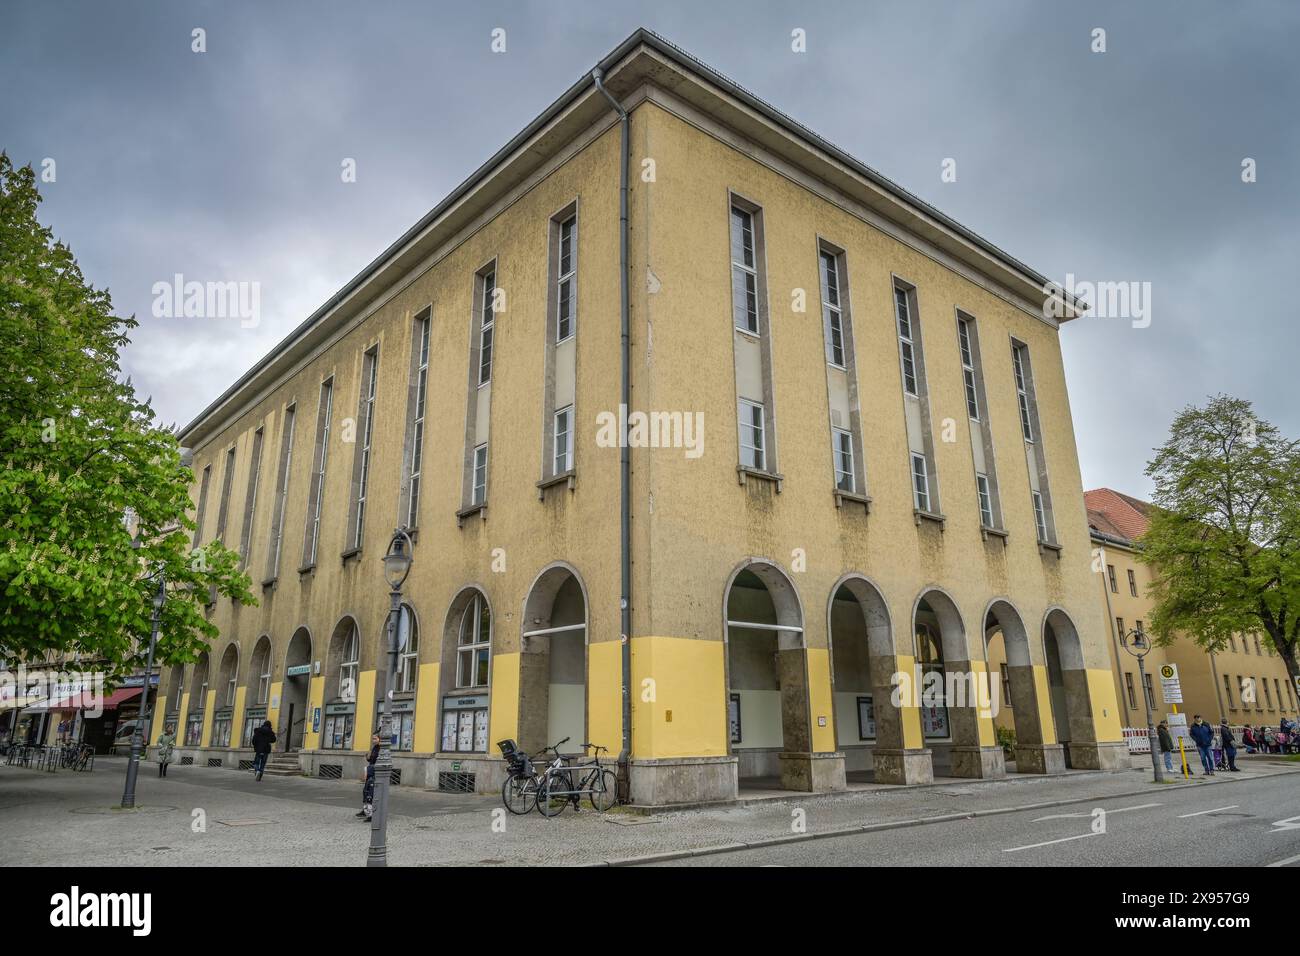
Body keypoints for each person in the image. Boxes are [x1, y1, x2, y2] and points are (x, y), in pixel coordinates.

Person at [357, 734, 380, 823]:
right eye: (373, 738)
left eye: (375, 738)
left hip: (375, 773)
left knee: (371, 793)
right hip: (370, 771)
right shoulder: (374, 748)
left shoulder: (381, 749)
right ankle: (365, 810)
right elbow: (372, 760)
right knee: (365, 791)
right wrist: (368, 758)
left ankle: (371, 813)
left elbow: (377, 762)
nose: (373, 740)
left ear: (380, 739)